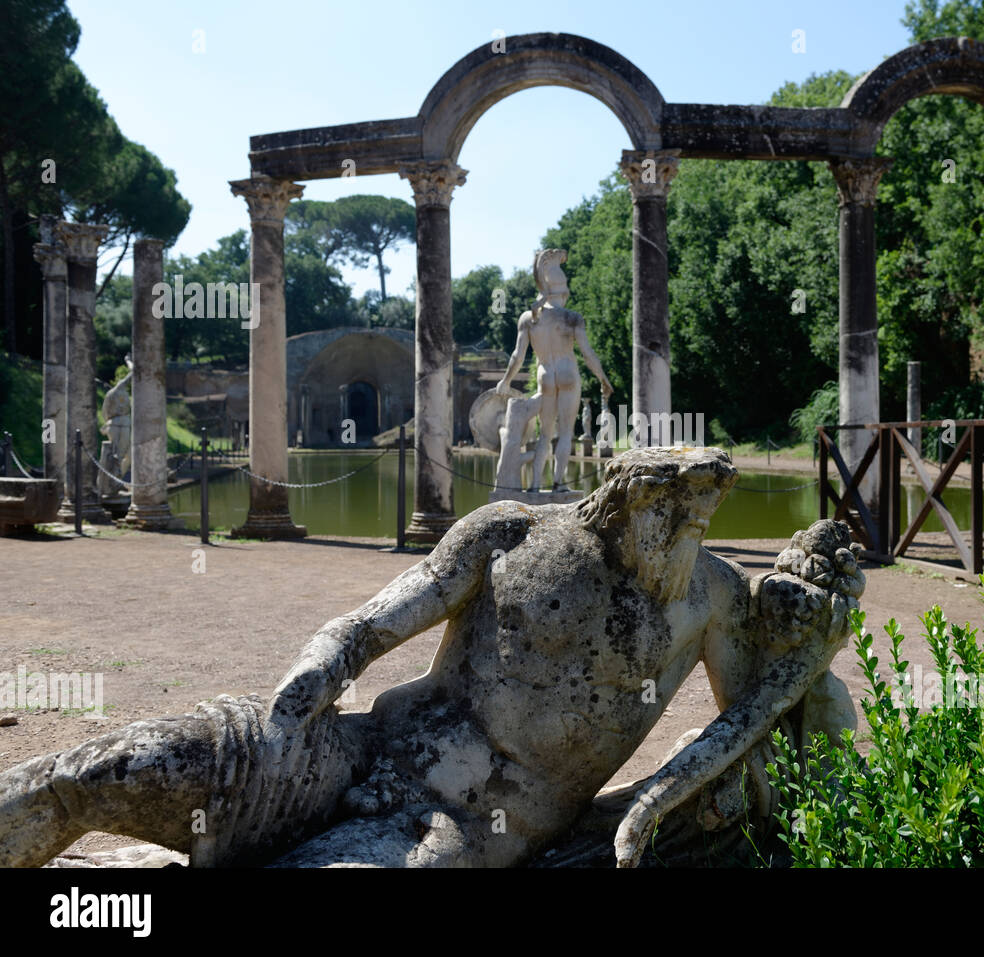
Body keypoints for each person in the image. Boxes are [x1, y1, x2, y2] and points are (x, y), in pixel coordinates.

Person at [0, 447, 860, 868]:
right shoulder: (512, 535)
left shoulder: (708, 598)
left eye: (701, 516)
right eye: (669, 512)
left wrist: (815, 644)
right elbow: (378, 620)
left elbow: (764, 721)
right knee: (106, 769)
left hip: (463, 828)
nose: (681, 535)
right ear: (623, 498)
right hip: (351, 749)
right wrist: (322, 663)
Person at [495, 249, 614, 492]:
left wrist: (506, 381)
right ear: (563, 289)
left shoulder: (529, 318)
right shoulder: (572, 318)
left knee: (545, 435)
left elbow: (518, 356)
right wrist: (603, 379)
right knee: (566, 432)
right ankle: (559, 485)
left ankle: (536, 484)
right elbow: (588, 354)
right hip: (569, 372)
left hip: (546, 374)